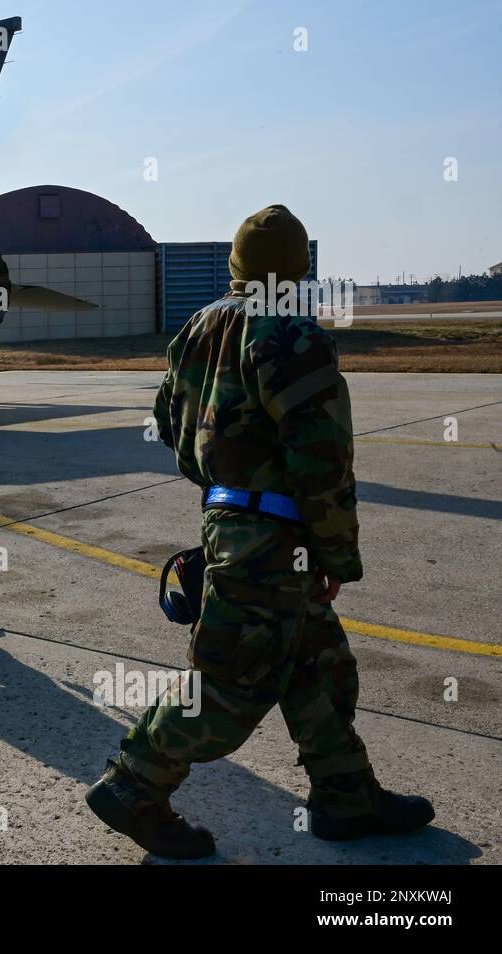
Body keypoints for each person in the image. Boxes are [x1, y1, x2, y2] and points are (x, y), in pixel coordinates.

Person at [84, 205, 434, 859]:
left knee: (319, 665)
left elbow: (170, 421)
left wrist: (223, 493)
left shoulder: (201, 326)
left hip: (237, 526)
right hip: (278, 541)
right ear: (300, 267)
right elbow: (322, 456)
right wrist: (335, 552)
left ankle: (345, 795)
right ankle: (134, 783)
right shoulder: (295, 332)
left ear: (236, 265)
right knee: (228, 685)